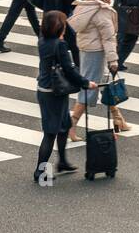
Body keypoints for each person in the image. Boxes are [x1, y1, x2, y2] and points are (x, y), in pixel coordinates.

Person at [34, 9, 96, 182]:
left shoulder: (43, 41)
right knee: (51, 132)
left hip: (47, 89)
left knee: (63, 126)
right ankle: (40, 172)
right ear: (60, 27)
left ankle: (62, 161)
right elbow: (68, 70)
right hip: (53, 92)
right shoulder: (59, 45)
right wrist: (86, 83)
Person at [69, 0, 129, 135]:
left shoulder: (84, 6)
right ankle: (71, 125)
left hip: (85, 49)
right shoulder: (101, 11)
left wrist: (104, 4)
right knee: (89, 89)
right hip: (97, 52)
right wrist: (113, 60)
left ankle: (118, 119)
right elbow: (108, 38)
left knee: (104, 85)